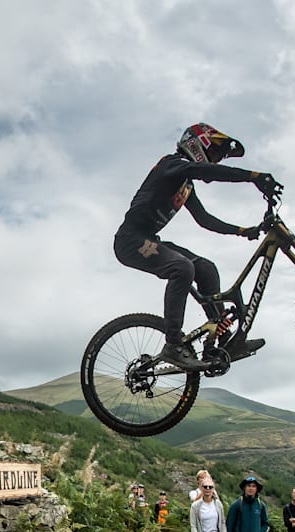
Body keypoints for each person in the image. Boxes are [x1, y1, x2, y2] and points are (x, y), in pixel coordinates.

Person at [113, 123, 282, 370]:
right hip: (130, 239)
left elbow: (204, 220)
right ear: (197, 144)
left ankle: (221, 338)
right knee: (182, 268)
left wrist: (243, 231)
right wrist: (253, 177)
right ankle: (173, 344)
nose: (215, 162)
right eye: (213, 154)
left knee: (206, 269)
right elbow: (205, 171)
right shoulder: (171, 164)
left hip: (149, 238)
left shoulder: (186, 185)